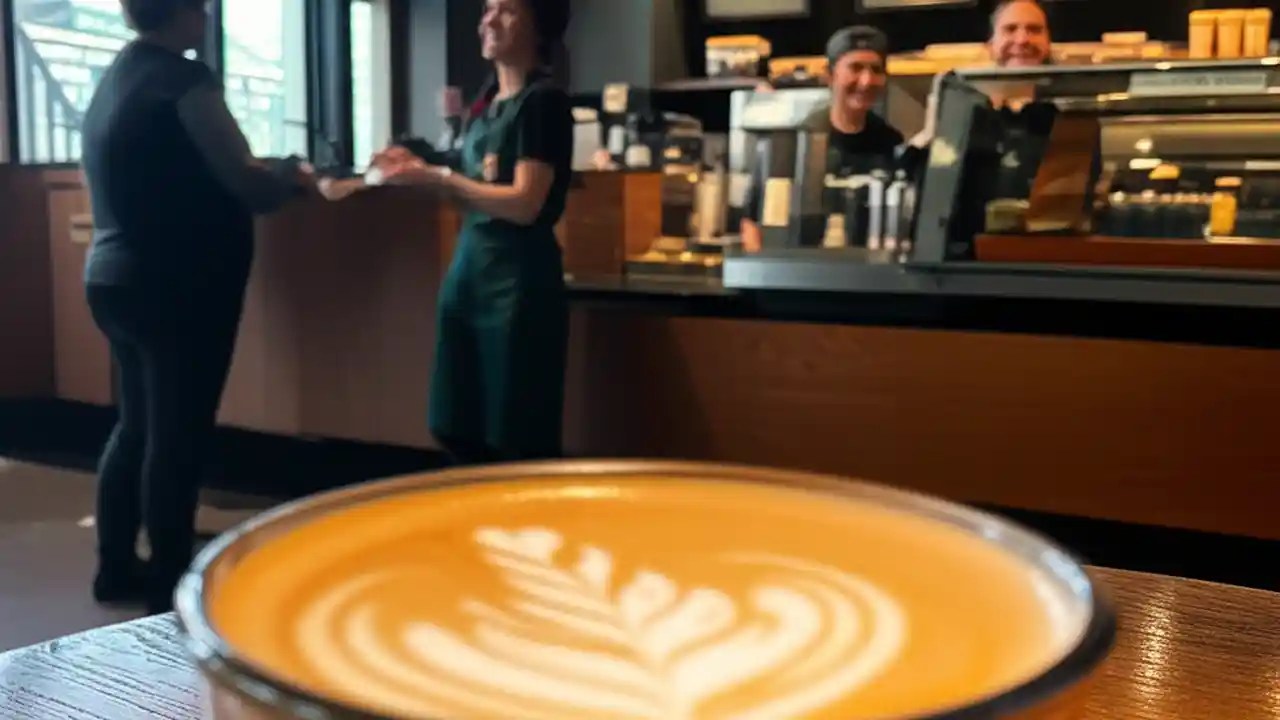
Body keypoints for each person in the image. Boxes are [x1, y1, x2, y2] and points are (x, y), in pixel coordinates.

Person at [81, 0, 312, 614]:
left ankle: (115, 566)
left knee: (136, 425)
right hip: (178, 281)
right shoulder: (184, 79)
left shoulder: (116, 77)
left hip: (113, 274)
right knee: (177, 433)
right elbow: (247, 182)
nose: (208, 16)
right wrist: (295, 175)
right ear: (180, 12)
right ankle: (171, 578)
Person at [373, 0, 573, 463]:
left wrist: (440, 178)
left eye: (507, 10)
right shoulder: (483, 109)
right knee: (456, 424)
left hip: (518, 286)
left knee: (515, 434)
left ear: (538, 27)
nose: (489, 20)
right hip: (468, 277)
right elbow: (470, 186)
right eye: (487, 9)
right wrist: (417, 168)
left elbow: (525, 203)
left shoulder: (543, 103)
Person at [741, 26, 904, 253]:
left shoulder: (889, 142)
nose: (866, 81)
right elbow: (751, 222)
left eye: (876, 70)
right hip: (800, 271)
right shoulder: (794, 141)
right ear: (830, 76)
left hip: (867, 273)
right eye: (855, 68)